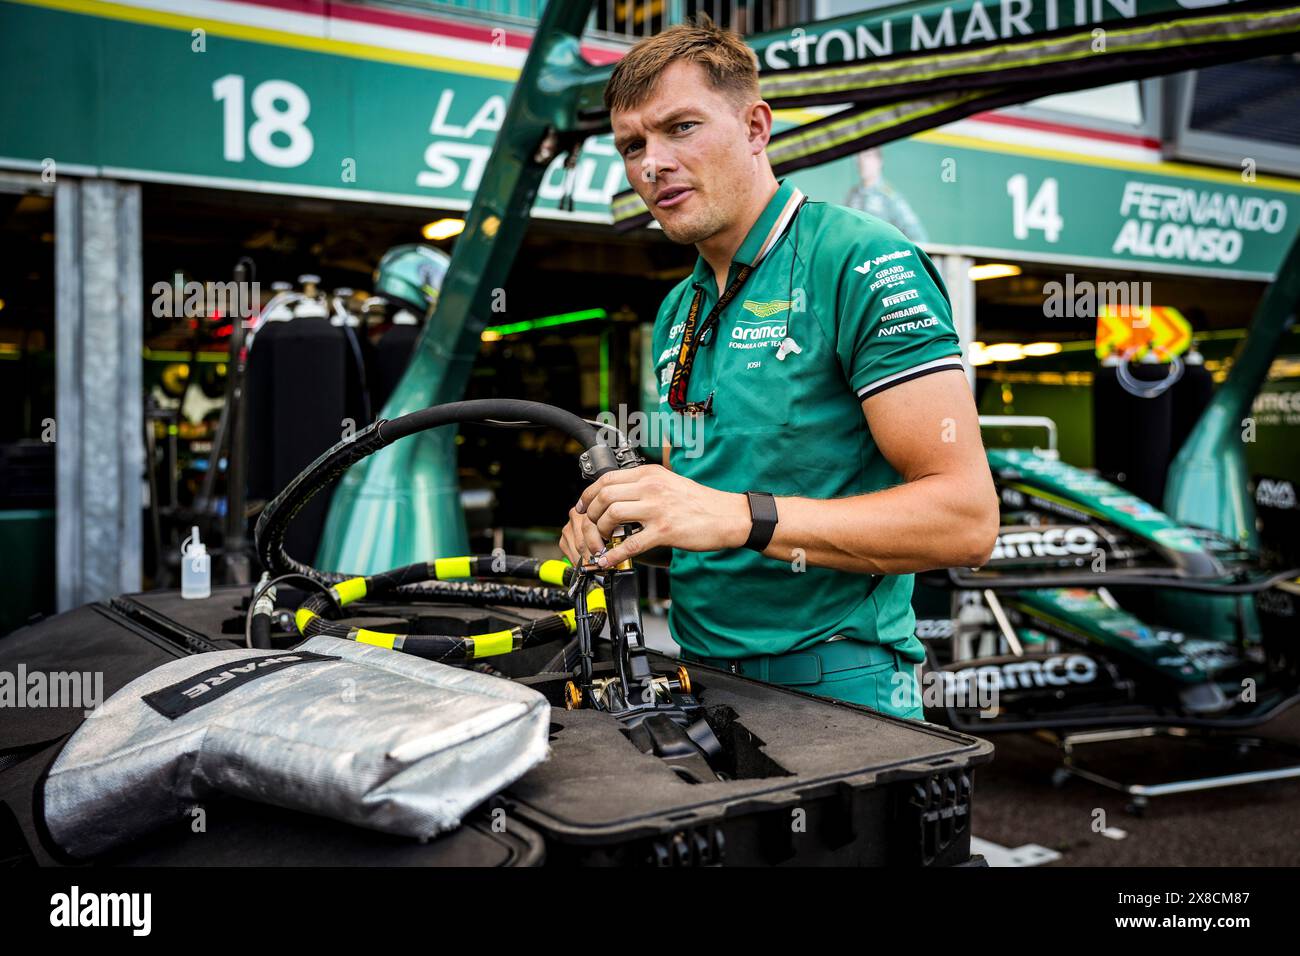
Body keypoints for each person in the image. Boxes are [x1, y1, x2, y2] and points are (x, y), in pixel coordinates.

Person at [557, 16, 998, 720]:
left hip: (840, 689)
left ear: (756, 128)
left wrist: (737, 515)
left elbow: (966, 521)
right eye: (632, 145)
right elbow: (704, 521)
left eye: (680, 128)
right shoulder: (678, 308)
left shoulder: (860, 257)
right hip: (697, 680)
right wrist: (626, 525)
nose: (652, 164)